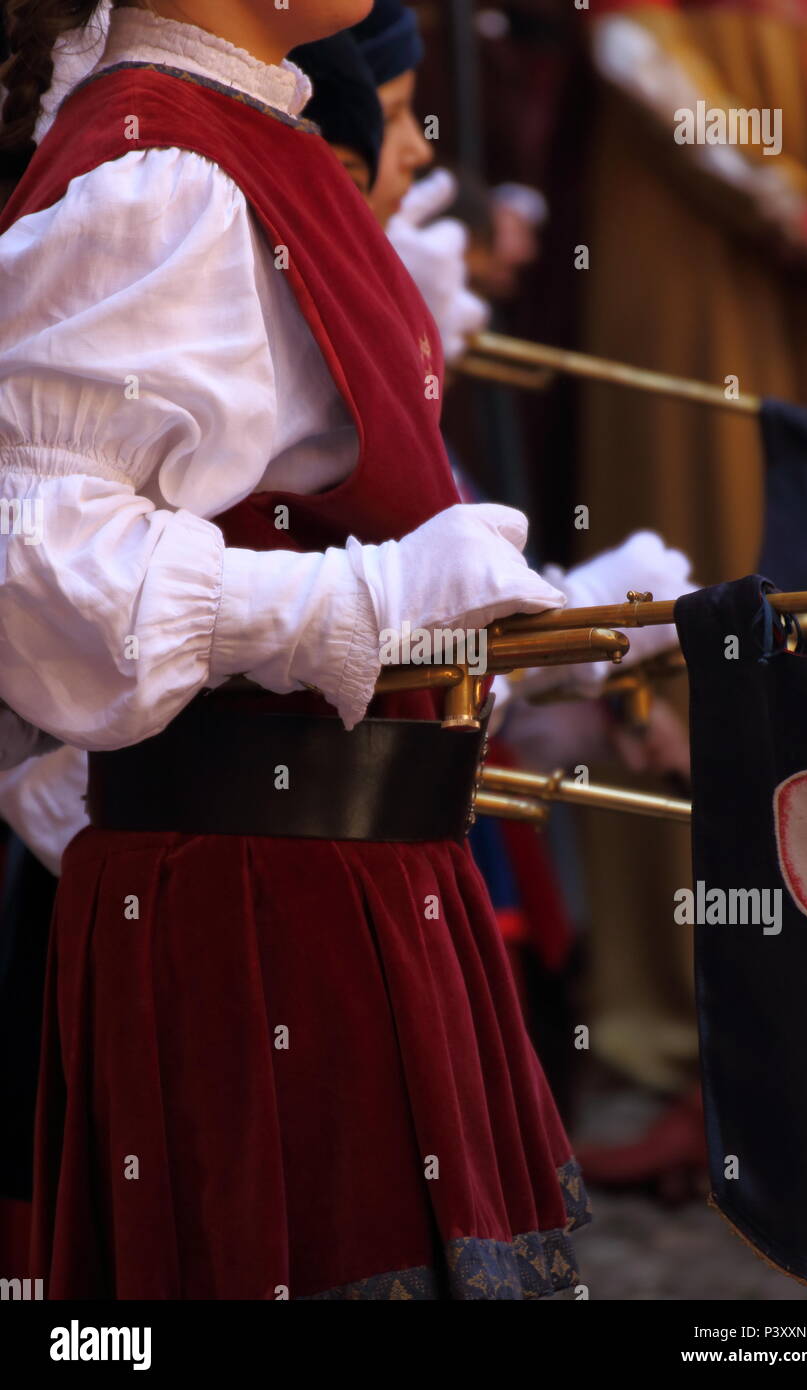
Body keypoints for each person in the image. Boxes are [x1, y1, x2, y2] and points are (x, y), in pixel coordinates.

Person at [0, 0, 592, 1300]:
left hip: (351, 880)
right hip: (254, 907)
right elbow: (38, 572)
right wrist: (353, 606)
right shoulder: (156, 170)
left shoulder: (235, 137)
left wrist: (537, 618)